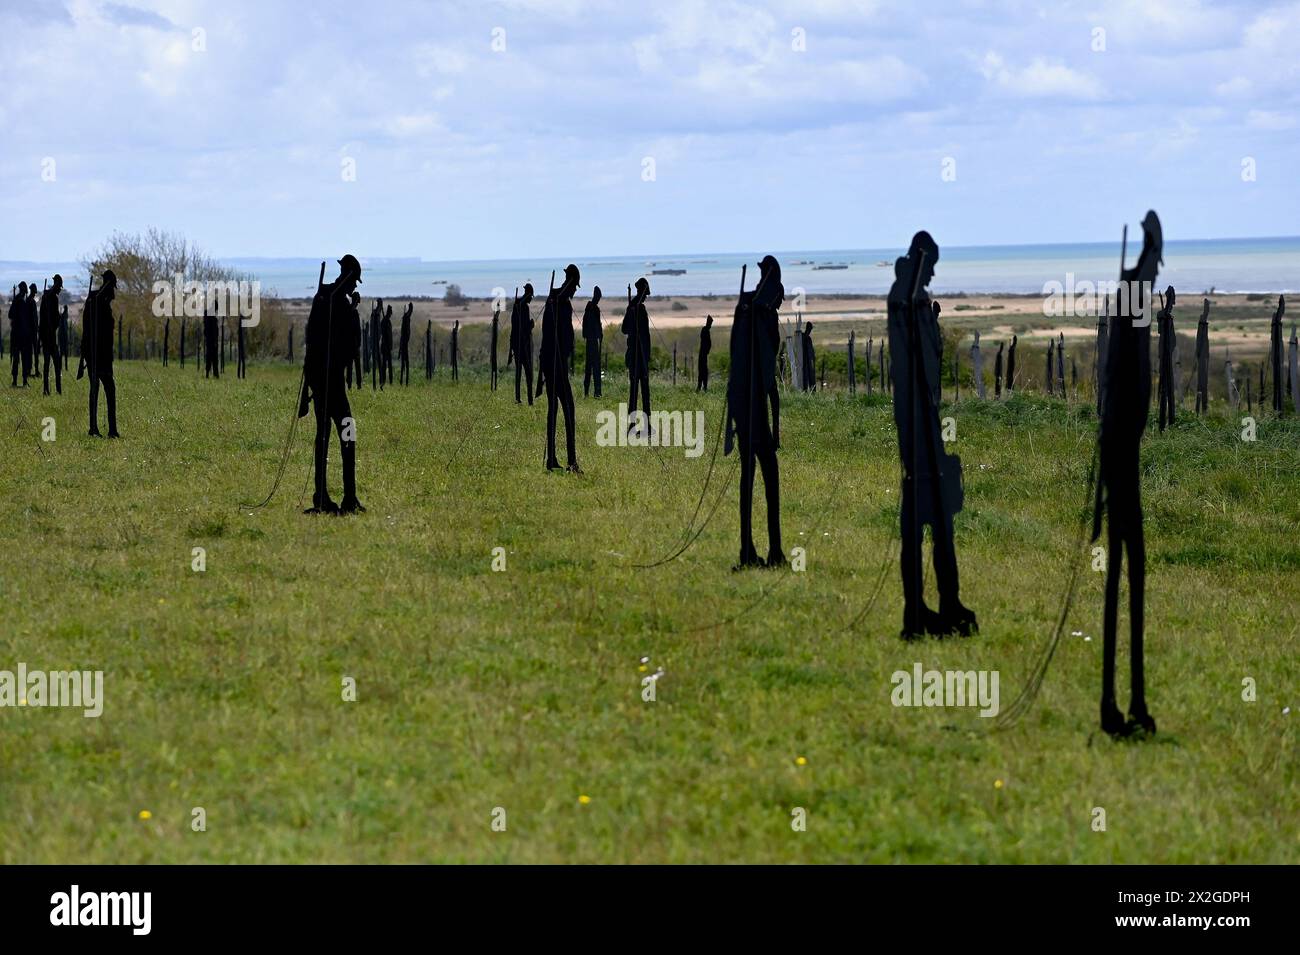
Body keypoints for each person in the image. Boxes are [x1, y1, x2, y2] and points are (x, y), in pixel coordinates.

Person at [887, 232, 976, 639]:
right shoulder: (905, 300)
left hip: (923, 422)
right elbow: (918, 367)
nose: (936, 270)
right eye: (933, 262)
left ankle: (938, 605)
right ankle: (922, 612)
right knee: (930, 520)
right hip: (917, 426)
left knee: (933, 520)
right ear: (923, 258)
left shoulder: (910, 298)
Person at [1093, 211, 1161, 738]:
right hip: (1121, 456)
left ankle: (1130, 698)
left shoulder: (1132, 306)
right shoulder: (1132, 305)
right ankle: (1116, 703)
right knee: (1124, 567)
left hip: (1124, 453)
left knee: (1129, 568)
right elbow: (1118, 393)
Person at [725, 256, 784, 570]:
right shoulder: (757, 312)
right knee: (762, 472)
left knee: (751, 472)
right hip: (749, 400)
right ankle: (763, 550)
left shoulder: (748, 308)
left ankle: (753, 549)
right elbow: (757, 368)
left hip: (745, 398)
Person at [300, 254, 364, 515]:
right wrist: (352, 313)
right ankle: (344, 498)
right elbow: (348, 342)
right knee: (346, 431)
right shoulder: (336, 301)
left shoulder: (324, 296)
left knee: (323, 435)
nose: (355, 287)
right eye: (354, 281)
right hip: (331, 380)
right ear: (348, 276)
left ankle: (323, 496)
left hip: (319, 378)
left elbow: (312, 338)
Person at [539, 265, 581, 472]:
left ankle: (552, 459)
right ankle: (571, 462)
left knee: (554, 410)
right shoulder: (558, 302)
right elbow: (549, 337)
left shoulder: (555, 300)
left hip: (551, 363)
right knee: (567, 409)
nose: (574, 292)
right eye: (574, 287)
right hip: (556, 364)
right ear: (571, 283)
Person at [84, 270, 120, 437]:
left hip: (102, 354)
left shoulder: (99, 301)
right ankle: (95, 428)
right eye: (112, 286)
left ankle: (111, 429)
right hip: (96, 353)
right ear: (108, 285)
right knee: (99, 388)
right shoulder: (96, 302)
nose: (114, 292)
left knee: (106, 388)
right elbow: (90, 330)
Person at [623, 277, 652, 434]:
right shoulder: (633, 308)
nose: (646, 296)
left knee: (645, 391)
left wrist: (647, 355)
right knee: (634, 392)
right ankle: (632, 426)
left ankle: (647, 425)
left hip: (643, 357)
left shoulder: (640, 308)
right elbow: (624, 329)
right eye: (645, 293)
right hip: (635, 356)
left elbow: (646, 336)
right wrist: (631, 318)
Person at [509, 283, 535, 404]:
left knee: (520, 373)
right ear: (528, 294)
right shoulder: (522, 307)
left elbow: (514, 327)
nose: (531, 299)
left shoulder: (517, 305)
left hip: (517, 343)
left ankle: (519, 398)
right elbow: (522, 328)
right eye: (531, 296)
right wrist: (531, 325)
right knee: (527, 372)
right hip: (523, 345)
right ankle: (528, 400)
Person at [39, 275, 64, 394]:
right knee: (55, 363)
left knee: (48, 362)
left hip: (46, 334)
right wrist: (60, 317)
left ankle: (47, 389)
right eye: (59, 286)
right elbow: (51, 319)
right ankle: (55, 390)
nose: (60, 289)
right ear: (57, 285)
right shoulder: (52, 298)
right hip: (49, 335)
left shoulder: (46, 296)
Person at [582, 286, 603, 397]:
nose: (598, 299)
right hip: (592, 341)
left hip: (593, 340)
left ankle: (595, 392)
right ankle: (593, 392)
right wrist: (599, 333)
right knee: (593, 367)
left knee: (593, 367)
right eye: (598, 297)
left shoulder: (592, 308)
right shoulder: (592, 309)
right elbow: (591, 325)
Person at [10, 283, 30, 387]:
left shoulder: (17, 301)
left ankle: (17, 380)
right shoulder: (21, 302)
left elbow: (11, 315)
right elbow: (11, 315)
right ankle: (22, 380)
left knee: (17, 359)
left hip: (17, 335)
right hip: (21, 335)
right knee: (22, 359)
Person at [697, 314, 714, 393]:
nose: (710, 325)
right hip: (703, 354)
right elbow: (708, 343)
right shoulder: (705, 330)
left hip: (703, 354)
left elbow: (708, 343)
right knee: (702, 370)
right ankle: (702, 387)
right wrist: (707, 350)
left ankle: (703, 387)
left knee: (702, 370)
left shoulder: (706, 330)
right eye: (710, 323)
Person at [203, 304, 220, 378]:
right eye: (216, 309)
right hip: (212, 340)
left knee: (209, 357)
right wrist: (215, 340)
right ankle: (214, 374)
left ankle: (209, 373)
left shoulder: (207, 315)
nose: (216, 311)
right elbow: (213, 330)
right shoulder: (211, 317)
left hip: (209, 340)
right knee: (213, 358)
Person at [380, 304, 394, 388]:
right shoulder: (384, 321)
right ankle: (383, 381)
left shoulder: (388, 321)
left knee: (389, 364)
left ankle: (391, 381)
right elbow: (383, 333)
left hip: (389, 347)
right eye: (390, 312)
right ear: (388, 312)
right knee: (384, 365)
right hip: (385, 347)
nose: (391, 314)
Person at [399, 302, 412, 386]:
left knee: (405, 363)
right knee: (405, 362)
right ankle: (403, 381)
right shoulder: (406, 318)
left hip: (404, 342)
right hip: (404, 343)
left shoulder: (406, 317)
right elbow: (404, 332)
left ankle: (404, 380)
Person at [490, 305, 501, 391]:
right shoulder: (494, 321)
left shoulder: (496, 319)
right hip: (495, 324)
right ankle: (493, 386)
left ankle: (494, 386)